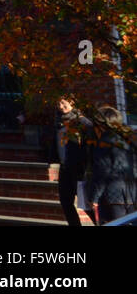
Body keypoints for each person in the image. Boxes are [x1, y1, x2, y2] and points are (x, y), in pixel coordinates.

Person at [86, 105, 135, 224]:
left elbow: (102, 172)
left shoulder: (104, 143)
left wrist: (94, 198)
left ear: (101, 126)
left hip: (112, 196)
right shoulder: (129, 138)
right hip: (132, 194)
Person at [55, 97, 92, 226]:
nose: (60, 106)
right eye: (58, 103)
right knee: (65, 201)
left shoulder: (82, 122)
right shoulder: (58, 122)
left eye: (63, 103)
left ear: (72, 102)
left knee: (86, 203)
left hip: (79, 168)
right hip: (65, 167)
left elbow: (90, 144)